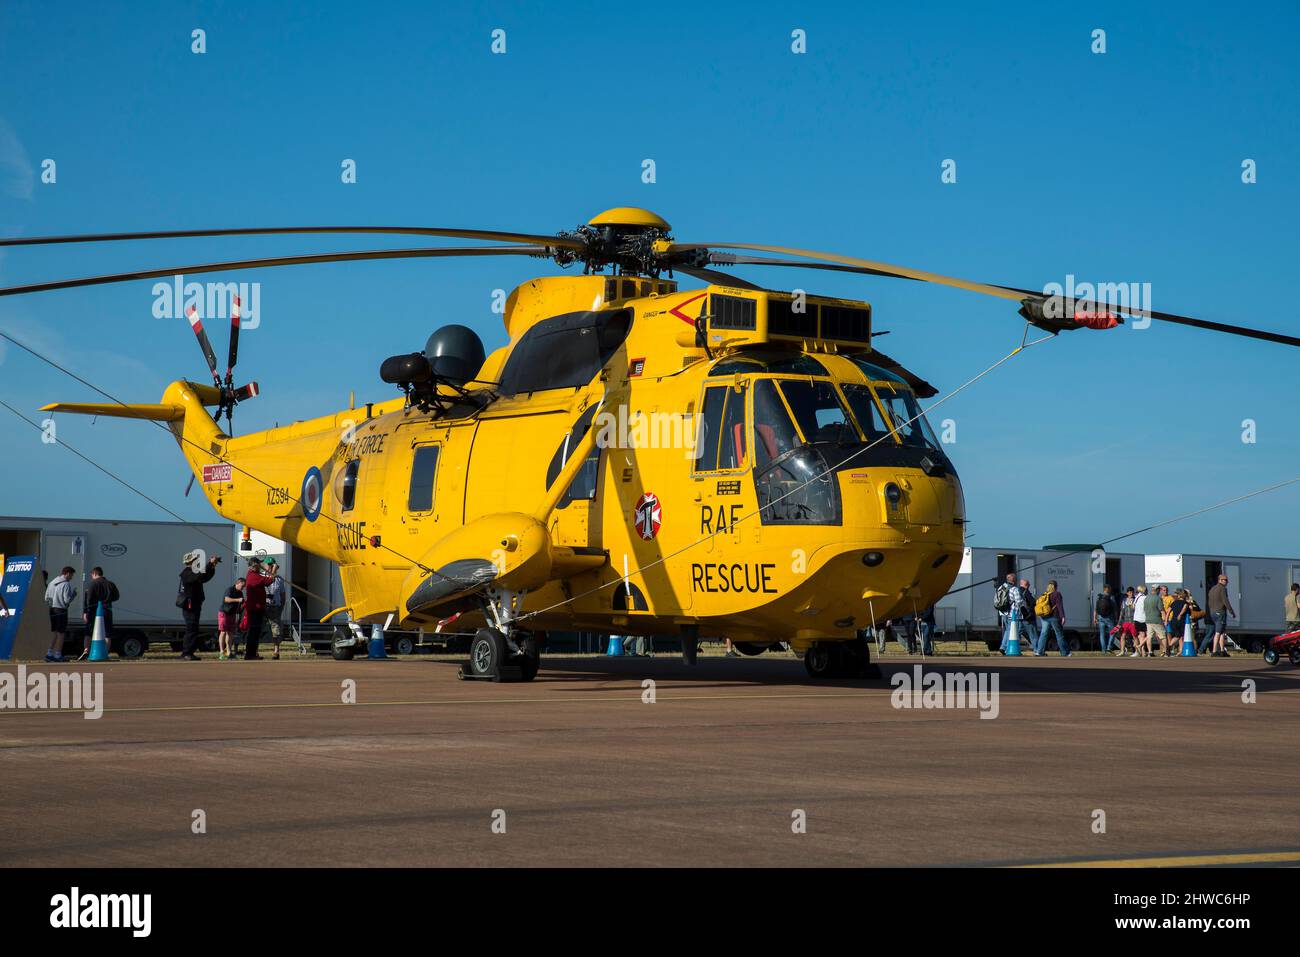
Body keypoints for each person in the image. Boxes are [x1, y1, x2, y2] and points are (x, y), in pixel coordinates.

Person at [179, 551, 219, 660]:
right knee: (191, 629)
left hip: (194, 605)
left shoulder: (192, 573)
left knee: (193, 629)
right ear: (190, 562)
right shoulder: (187, 573)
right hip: (189, 606)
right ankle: (187, 653)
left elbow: (205, 577)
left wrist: (212, 566)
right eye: (195, 560)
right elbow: (200, 574)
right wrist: (209, 564)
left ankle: (188, 652)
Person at [80, 567, 120, 659]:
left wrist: (85, 612)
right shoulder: (110, 584)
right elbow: (117, 596)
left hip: (93, 611)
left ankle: (87, 651)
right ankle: (105, 653)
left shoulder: (92, 584)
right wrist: (108, 600)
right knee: (107, 633)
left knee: (89, 632)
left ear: (94, 574)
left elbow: (88, 599)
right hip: (107, 610)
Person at [43, 566, 78, 663]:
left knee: (54, 632)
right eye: (71, 575)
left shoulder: (52, 582)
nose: (71, 577)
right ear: (67, 573)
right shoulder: (66, 584)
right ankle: (58, 654)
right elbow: (67, 600)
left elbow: (46, 598)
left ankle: (49, 653)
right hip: (61, 610)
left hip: (52, 609)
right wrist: (73, 595)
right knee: (61, 633)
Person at [241, 557, 273, 660]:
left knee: (255, 631)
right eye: (258, 564)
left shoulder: (253, 575)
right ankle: (250, 654)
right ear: (254, 566)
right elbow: (269, 581)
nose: (260, 566)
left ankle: (252, 653)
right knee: (254, 631)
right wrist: (274, 570)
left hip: (257, 608)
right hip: (255, 609)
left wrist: (265, 568)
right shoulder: (253, 576)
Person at [1033, 579, 1070, 657]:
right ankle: (1064, 652)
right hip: (1054, 617)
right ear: (1056, 587)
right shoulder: (1057, 594)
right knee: (1059, 634)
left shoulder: (1045, 594)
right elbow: (1060, 606)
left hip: (1044, 617)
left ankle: (1039, 651)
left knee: (1043, 634)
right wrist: (1062, 616)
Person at [1207, 572, 1235, 657]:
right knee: (1218, 632)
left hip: (1213, 612)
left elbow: (1209, 601)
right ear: (1220, 580)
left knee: (1222, 632)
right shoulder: (1222, 588)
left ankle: (1222, 650)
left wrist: (1211, 610)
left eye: (1227, 580)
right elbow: (1225, 600)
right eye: (1225, 580)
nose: (1227, 582)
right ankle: (1214, 650)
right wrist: (1231, 611)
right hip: (1220, 612)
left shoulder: (1212, 588)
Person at [264, 559, 286, 659]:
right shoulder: (262, 576)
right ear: (265, 565)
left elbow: (283, 595)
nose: (270, 566)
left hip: (275, 607)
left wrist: (281, 607)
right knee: (259, 628)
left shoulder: (279, 579)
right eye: (269, 565)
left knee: (276, 630)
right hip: (264, 606)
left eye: (272, 565)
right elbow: (268, 581)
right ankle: (254, 650)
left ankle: (276, 651)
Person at [218, 578, 245, 660]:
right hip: (224, 613)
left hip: (232, 614)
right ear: (238, 583)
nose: (243, 588)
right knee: (223, 631)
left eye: (244, 586)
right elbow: (226, 599)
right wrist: (237, 600)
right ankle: (221, 652)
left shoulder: (240, 593)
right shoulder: (230, 589)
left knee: (230, 633)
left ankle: (229, 652)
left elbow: (241, 604)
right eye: (242, 586)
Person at [1094, 584, 1117, 654]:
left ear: (1104, 589)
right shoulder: (1111, 597)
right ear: (1109, 589)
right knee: (1113, 632)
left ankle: (1103, 651)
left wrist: (1094, 618)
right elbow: (1115, 609)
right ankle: (1109, 647)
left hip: (1100, 617)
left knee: (1102, 634)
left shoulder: (1099, 597)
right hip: (1109, 618)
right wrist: (1116, 618)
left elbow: (1096, 609)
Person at [1132, 585, 1151, 657]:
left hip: (1136, 618)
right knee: (1149, 634)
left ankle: (1143, 651)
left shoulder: (1137, 597)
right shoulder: (1145, 598)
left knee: (1141, 635)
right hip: (1144, 618)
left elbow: (1133, 607)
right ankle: (1141, 646)